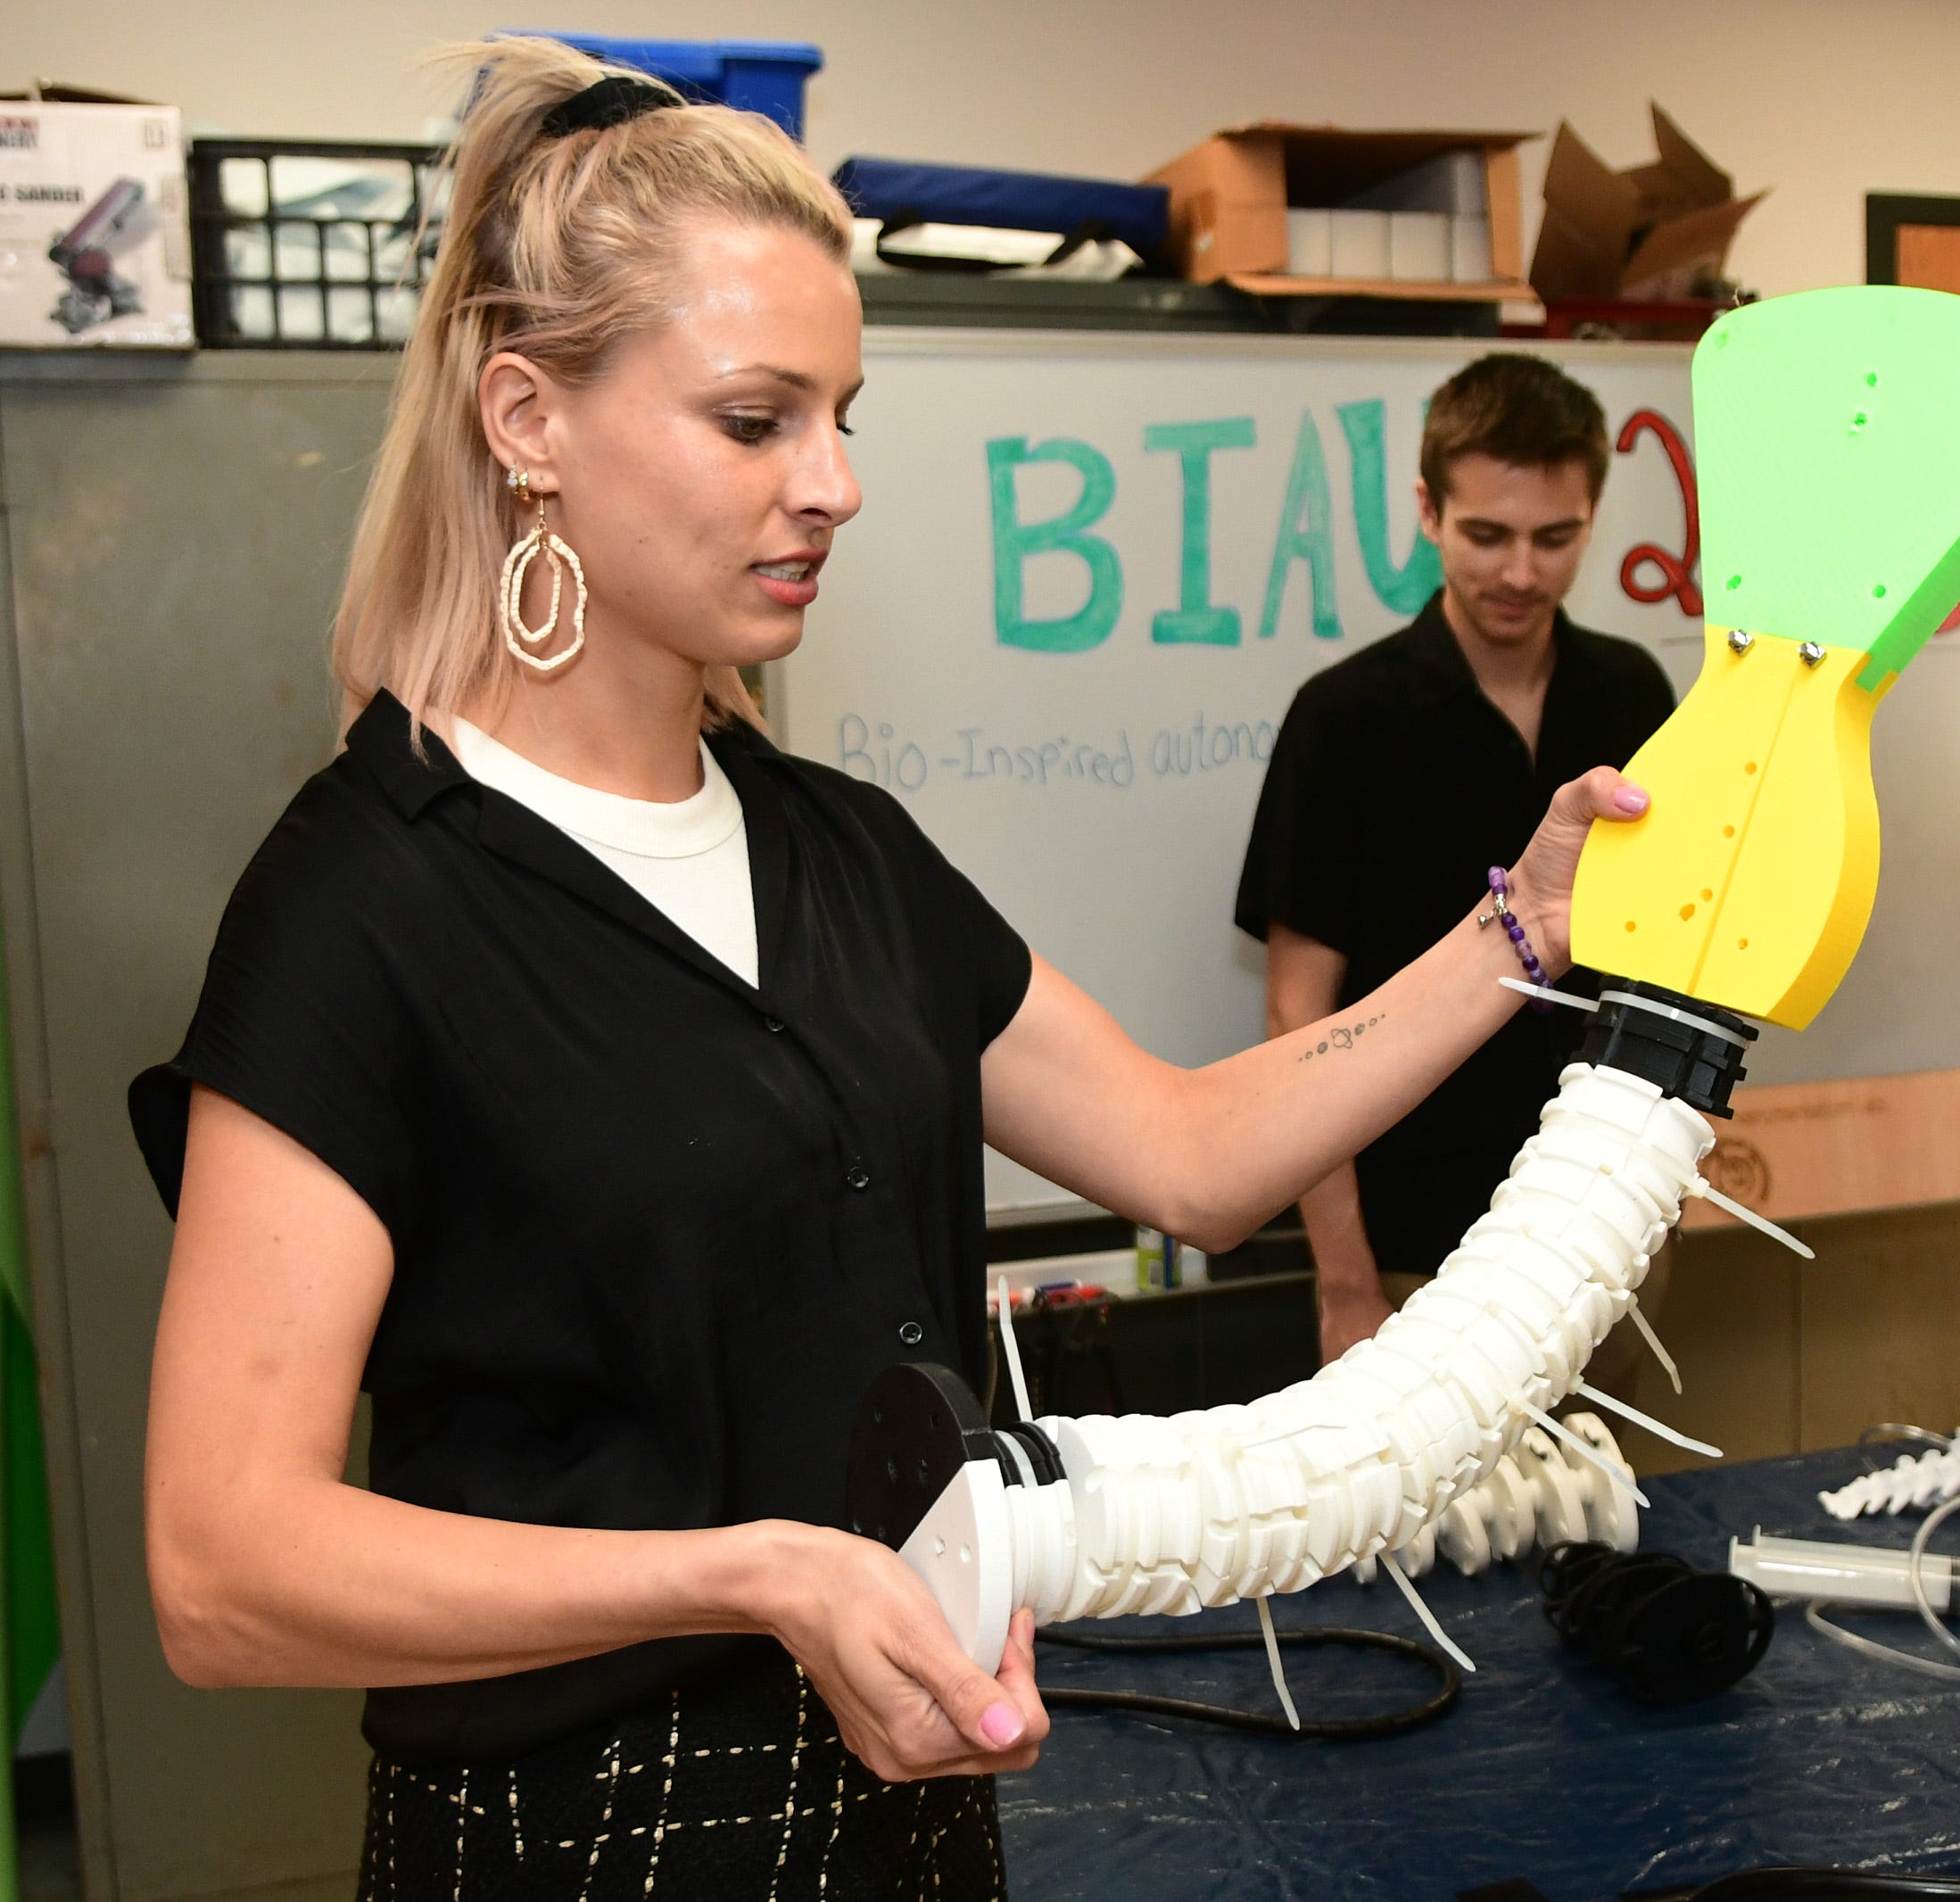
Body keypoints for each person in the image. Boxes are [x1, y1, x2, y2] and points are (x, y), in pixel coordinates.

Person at [128, 43, 1646, 1899]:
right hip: (574, 1842)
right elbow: (226, 1568)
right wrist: (756, 1569)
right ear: (527, 416)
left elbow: (1192, 1148)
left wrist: (1526, 931)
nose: (835, 483)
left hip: (910, 1819)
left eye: (844, 415)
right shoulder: (367, 902)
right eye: (757, 420)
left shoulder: (841, 853)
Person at [1236, 356, 1675, 1362]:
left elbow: (1665, 970)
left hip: (1607, 1227)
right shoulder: (1343, 720)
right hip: (1412, 1246)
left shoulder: (1634, 693)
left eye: (1553, 538)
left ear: (1592, 518)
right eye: (1487, 534)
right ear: (1428, 511)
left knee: (1611, 1512)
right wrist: (1344, 1282)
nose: (1520, 572)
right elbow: (1296, 1025)